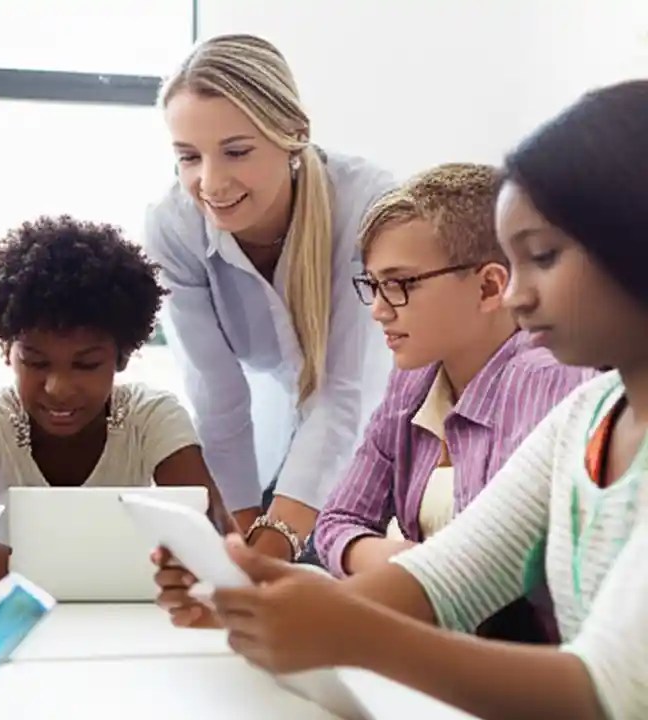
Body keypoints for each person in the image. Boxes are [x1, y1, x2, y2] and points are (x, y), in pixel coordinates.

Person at [154, 80, 648, 720]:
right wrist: (247, 593)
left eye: (545, 258)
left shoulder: (550, 389)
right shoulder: (586, 419)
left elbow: (603, 693)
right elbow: (445, 578)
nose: (519, 296)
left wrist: (344, 629)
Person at [314, 162, 594, 640]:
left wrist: (414, 578)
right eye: (374, 285)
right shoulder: (414, 382)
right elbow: (338, 520)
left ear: (489, 287)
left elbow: (504, 578)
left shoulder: (552, 383)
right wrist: (384, 558)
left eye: (401, 284)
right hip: (439, 637)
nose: (380, 309)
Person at [145, 34, 396, 561]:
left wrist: (276, 538)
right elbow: (216, 396)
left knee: (330, 554)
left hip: (383, 411)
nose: (210, 182)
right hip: (285, 420)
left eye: (236, 151)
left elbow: (346, 389)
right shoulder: (173, 227)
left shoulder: (366, 204)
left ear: (294, 133)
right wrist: (242, 544)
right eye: (188, 157)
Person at [0, 215, 234, 588]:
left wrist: (27, 566)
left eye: (86, 365)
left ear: (122, 357)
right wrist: (107, 565)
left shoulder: (152, 417)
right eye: (35, 362)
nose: (58, 387)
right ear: (6, 351)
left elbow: (214, 549)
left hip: (118, 627)